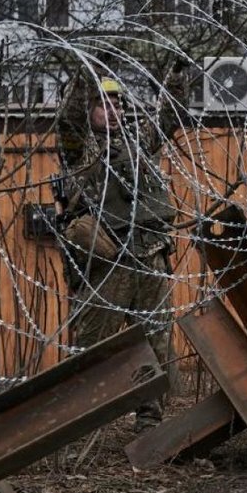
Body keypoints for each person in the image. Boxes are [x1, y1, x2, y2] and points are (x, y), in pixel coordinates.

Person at [56, 72, 184, 432]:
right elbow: (69, 118)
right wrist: (86, 75)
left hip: (149, 252)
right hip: (108, 260)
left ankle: (150, 420)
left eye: (116, 104)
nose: (112, 110)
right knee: (93, 345)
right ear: (88, 109)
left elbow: (169, 116)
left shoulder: (137, 140)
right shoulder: (80, 148)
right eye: (102, 104)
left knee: (155, 339)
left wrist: (177, 75)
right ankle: (78, 424)